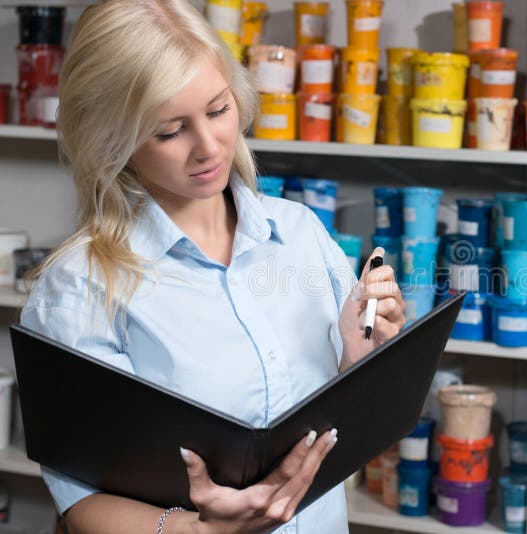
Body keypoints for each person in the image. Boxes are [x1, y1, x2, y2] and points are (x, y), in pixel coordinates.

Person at [20, 0, 406, 532]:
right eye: (169, 131)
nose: (208, 147)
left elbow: (337, 436)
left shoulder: (301, 234)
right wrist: (195, 530)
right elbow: (83, 502)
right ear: (115, 138)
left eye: (219, 110)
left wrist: (363, 362)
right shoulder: (80, 287)